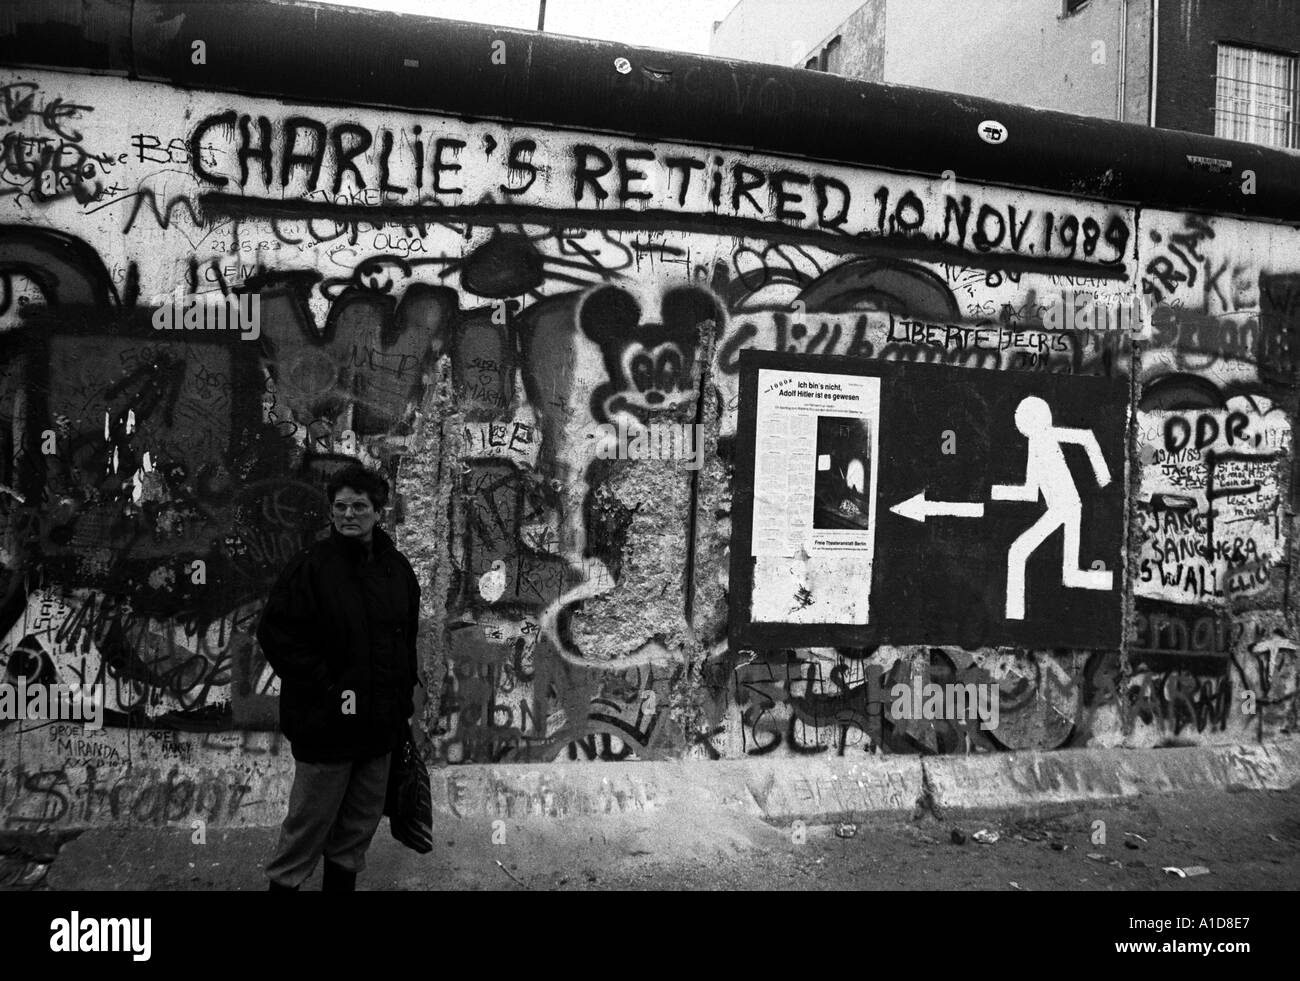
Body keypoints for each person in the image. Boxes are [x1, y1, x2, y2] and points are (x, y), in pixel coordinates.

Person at [258, 463, 421, 891]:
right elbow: (277, 636)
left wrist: (401, 711)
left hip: (379, 731)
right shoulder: (310, 568)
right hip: (325, 728)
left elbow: (405, 645)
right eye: (340, 506)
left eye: (360, 506)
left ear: (379, 512)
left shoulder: (398, 571)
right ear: (331, 513)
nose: (349, 514)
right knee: (305, 832)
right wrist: (329, 690)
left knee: (354, 837)